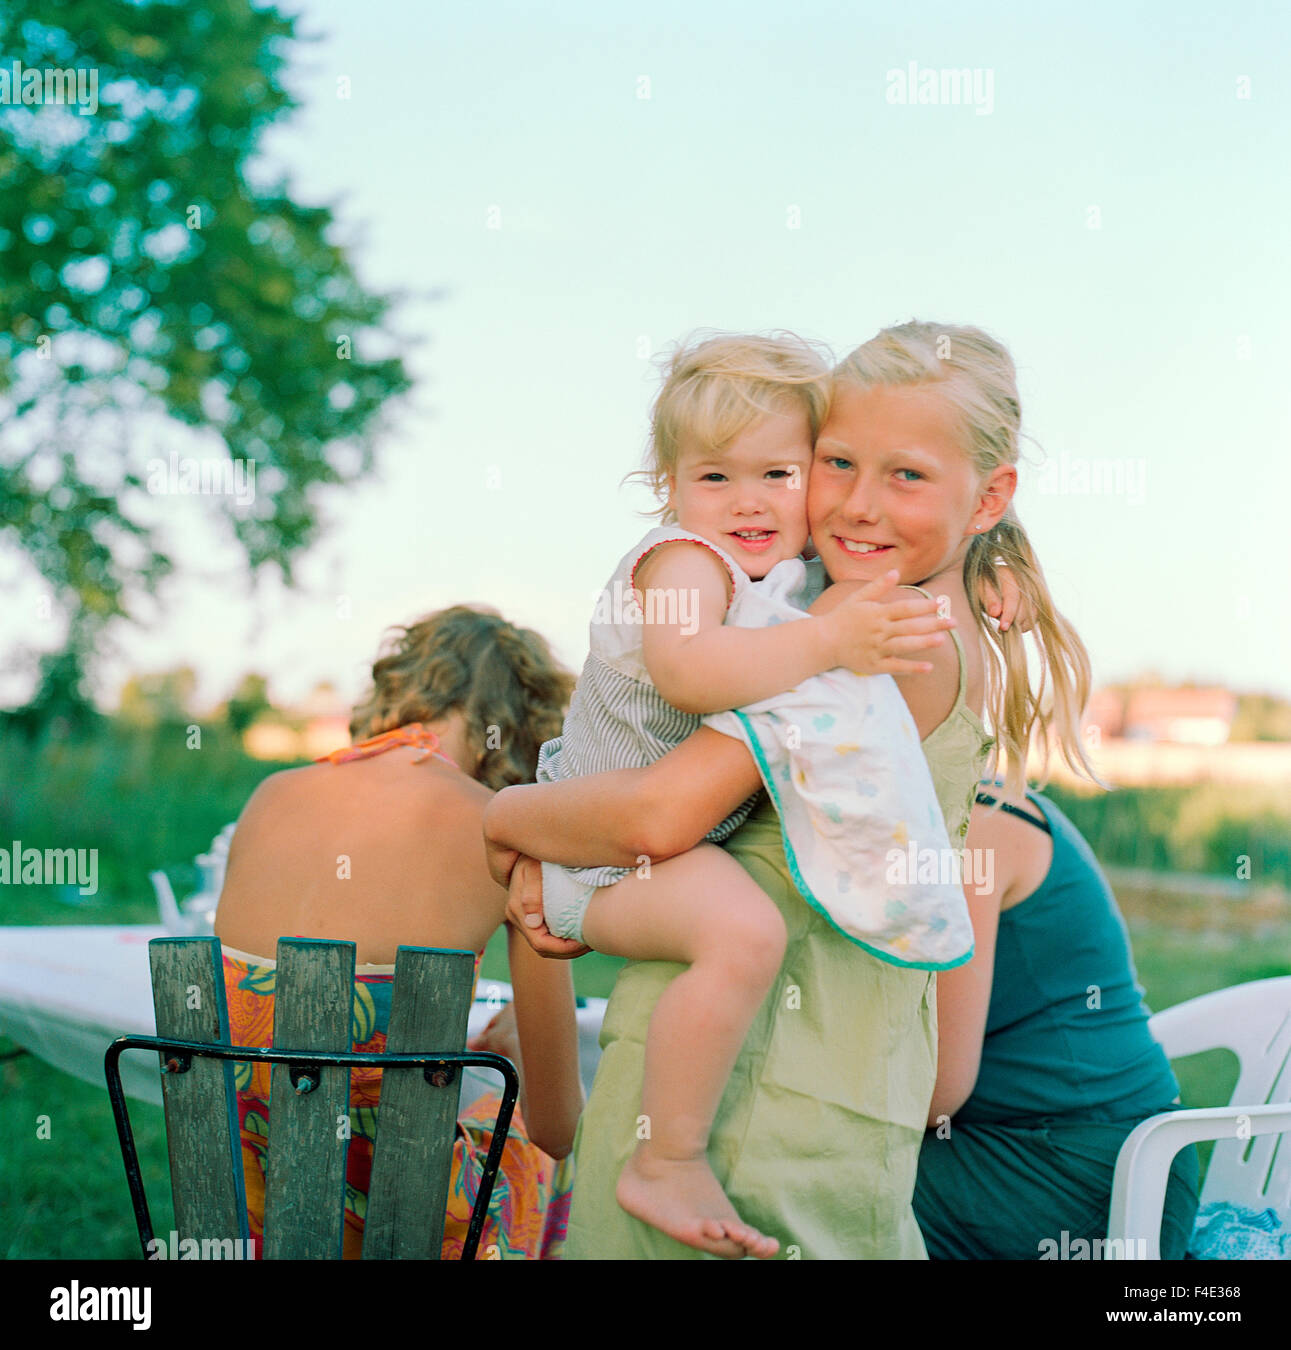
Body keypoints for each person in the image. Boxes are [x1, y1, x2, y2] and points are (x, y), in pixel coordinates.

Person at [485, 319, 1099, 1258]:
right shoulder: (929, 614)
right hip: (845, 1098)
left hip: (742, 1114)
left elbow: (657, 814)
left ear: (989, 497)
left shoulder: (862, 643)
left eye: (905, 476)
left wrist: (511, 818)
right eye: (836, 462)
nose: (854, 505)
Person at [213, 605, 584, 1259]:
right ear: (523, 728)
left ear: (397, 688)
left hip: (259, 1212)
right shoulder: (509, 829)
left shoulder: (269, 795)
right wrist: (520, 1055)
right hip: (405, 1227)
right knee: (553, 1154)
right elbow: (558, 1128)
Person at [915, 782, 1200, 1259]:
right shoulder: (952, 814)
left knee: (825, 1176)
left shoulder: (981, 831)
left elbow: (934, 1095)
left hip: (1101, 1174)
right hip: (1018, 1141)